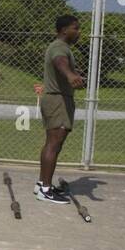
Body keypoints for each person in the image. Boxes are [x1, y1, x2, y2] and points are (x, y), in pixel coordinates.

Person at [36, 15, 86, 203]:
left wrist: (73, 76)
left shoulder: (61, 47)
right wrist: (70, 75)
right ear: (64, 30)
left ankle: (42, 185)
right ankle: (45, 190)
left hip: (58, 99)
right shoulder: (59, 47)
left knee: (53, 143)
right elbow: (60, 62)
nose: (78, 32)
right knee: (54, 144)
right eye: (76, 28)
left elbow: (61, 64)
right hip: (57, 100)